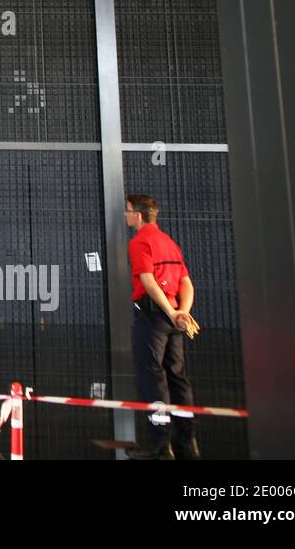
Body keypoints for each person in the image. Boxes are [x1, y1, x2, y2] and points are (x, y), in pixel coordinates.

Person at [126, 194, 199, 459]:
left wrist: (169, 312)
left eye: (128, 211)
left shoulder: (139, 242)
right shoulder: (169, 243)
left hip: (153, 318)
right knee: (178, 378)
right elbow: (186, 283)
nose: (126, 215)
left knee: (153, 379)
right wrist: (182, 313)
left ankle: (159, 445)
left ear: (138, 215)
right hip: (175, 319)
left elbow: (147, 281)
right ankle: (186, 441)